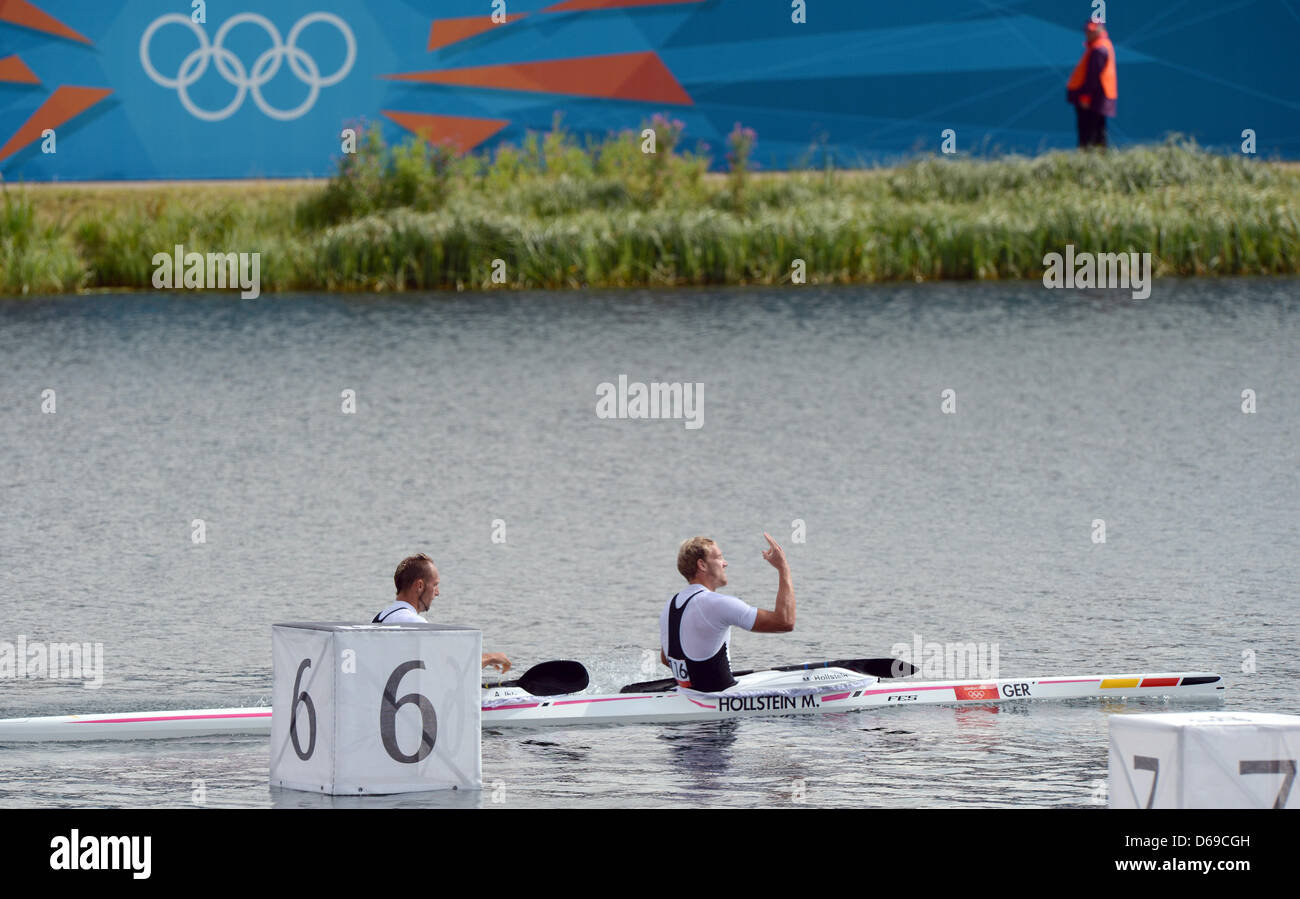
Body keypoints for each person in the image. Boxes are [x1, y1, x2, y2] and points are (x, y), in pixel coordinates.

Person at [659, 533, 795, 692]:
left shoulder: (670, 605)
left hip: (686, 695)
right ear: (702, 565)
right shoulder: (718, 603)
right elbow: (785, 622)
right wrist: (783, 567)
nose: (725, 563)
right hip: (718, 700)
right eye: (719, 557)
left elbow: (666, 658)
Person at [373, 553, 511, 673]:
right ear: (420, 585)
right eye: (435, 585)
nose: (437, 593)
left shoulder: (382, 616)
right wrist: (490, 658)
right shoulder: (414, 623)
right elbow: (450, 667)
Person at [1066, 22, 1118, 149]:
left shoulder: (1099, 49)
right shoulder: (1100, 46)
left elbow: (1093, 77)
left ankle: (1088, 161)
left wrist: (1085, 97)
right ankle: (1096, 160)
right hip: (1098, 98)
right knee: (1097, 132)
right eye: (1087, 31)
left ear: (1100, 31)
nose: (1087, 33)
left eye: (1091, 31)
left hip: (1093, 99)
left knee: (1089, 134)